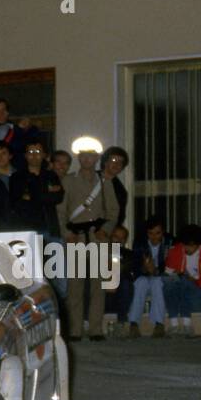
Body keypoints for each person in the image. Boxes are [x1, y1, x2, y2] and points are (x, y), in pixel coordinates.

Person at [61, 138, 119, 340]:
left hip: (97, 237)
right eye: (83, 156)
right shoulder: (68, 181)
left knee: (97, 286)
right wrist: (66, 233)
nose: (87, 159)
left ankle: (96, 328)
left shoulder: (104, 182)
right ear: (79, 158)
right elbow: (61, 210)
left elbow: (113, 210)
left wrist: (106, 229)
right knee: (75, 286)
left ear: (96, 159)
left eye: (91, 156)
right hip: (75, 237)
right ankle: (75, 329)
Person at [162, 224, 201, 337]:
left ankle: (187, 324)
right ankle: (174, 324)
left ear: (199, 244)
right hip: (179, 294)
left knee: (184, 281)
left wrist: (196, 281)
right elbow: (168, 275)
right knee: (169, 281)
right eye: (185, 245)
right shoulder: (175, 251)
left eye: (192, 246)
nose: (188, 249)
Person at [8, 141, 63, 239]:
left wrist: (31, 195)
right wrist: (46, 192)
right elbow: (17, 202)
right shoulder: (17, 177)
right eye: (30, 152)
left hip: (50, 227)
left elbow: (58, 197)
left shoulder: (51, 175)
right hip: (26, 229)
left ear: (44, 155)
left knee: (56, 253)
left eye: (38, 151)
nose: (34, 155)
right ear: (25, 155)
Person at [128, 216, 172, 337]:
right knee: (141, 283)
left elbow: (171, 265)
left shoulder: (169, 242)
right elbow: (135, 266)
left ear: (163, 232)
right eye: (150, 233)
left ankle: (159, 324)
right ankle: (133, 324)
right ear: (146, 233)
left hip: (160, 276)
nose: (154, 237)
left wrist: (156, 270)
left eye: (157, 233)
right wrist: (145, 268)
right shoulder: (139, 242)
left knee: (157, 282)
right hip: (143, 275)